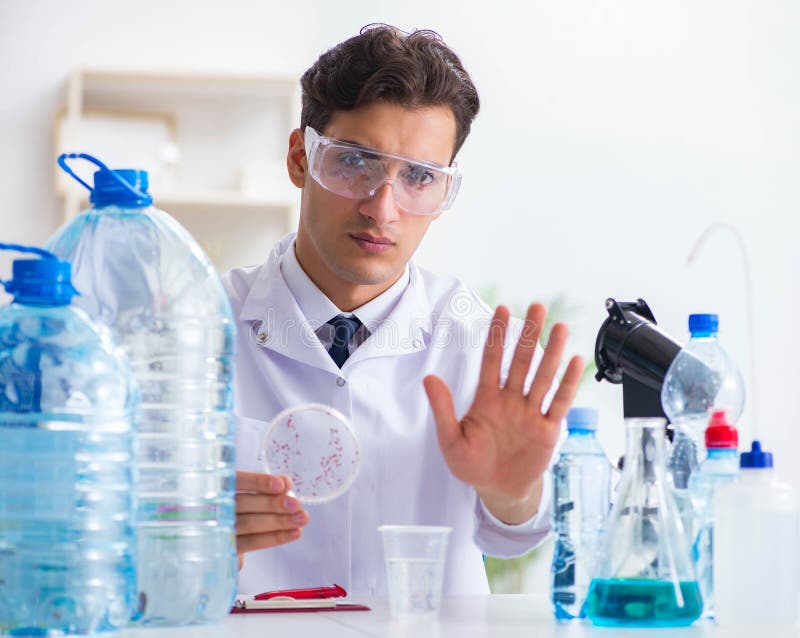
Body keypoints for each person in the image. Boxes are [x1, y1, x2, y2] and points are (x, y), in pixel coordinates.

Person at [224, 24, 583, 596]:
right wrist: (170, 527)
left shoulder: (485, 350)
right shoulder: (196, 331)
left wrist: (510, 489)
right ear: (300, 158)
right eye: (355, 163)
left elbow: (520, 534)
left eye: (419, 177)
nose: (383, 207)